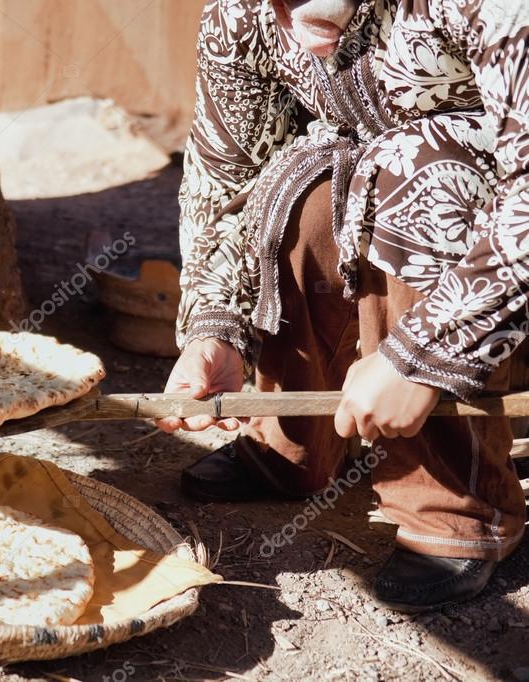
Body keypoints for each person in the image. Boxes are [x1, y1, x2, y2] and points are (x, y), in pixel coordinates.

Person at [161, 0, 529, 612]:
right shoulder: (239, 16)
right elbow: (225, 174)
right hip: (384, 192)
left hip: (498, 276)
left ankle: (457, 506)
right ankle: (294, 439)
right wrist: (216, 327)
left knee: (422, 171)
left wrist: (422, 354)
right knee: (305, 181)